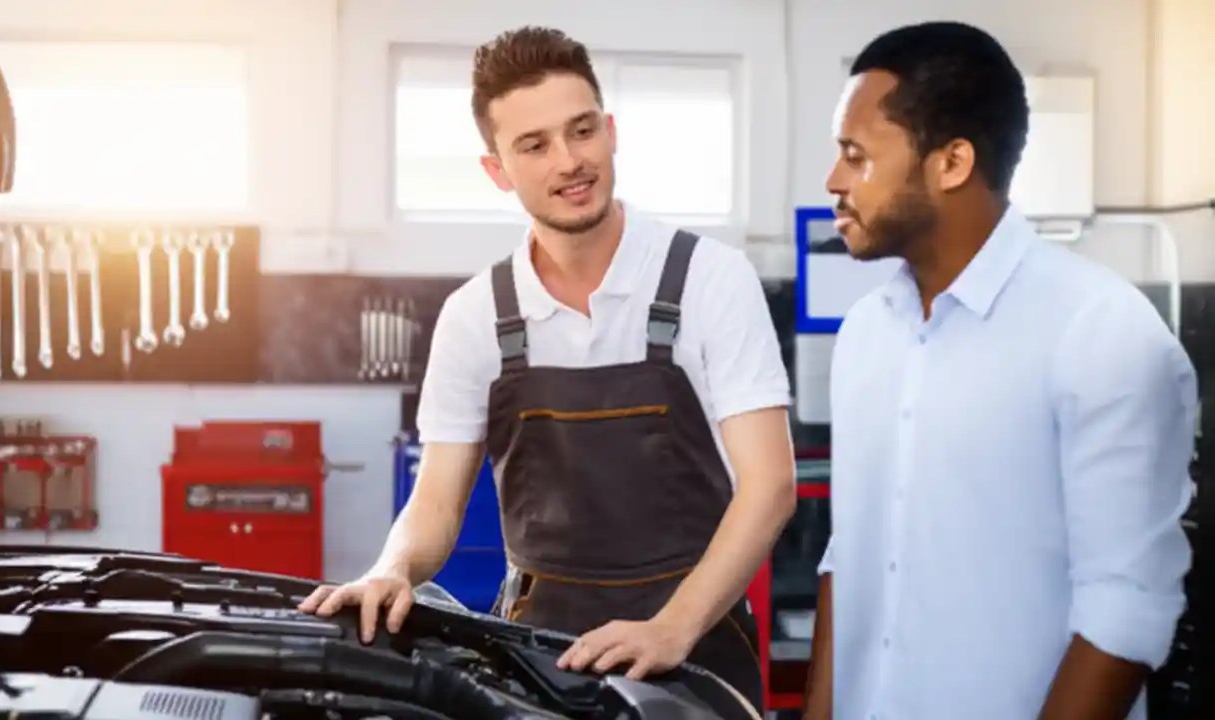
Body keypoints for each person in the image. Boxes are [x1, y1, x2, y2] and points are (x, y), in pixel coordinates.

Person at [298, 25, 798, 710]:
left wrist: (671, 629)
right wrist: (392, 568)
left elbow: (770, 484)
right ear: (498, 170)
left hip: (697, 648)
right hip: (540, 658)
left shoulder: (711, 280)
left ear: (611, 131)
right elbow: (436, 504)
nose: (570, 160)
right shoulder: (476, 315)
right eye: (534, 145)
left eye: (582, 130)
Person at [803, 20, 1198, 720]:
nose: (834, 180)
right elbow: (848, 557)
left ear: (951, 163)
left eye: (856, 156)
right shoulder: (866, 333)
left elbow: (1127, 608)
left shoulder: (1100, 330)